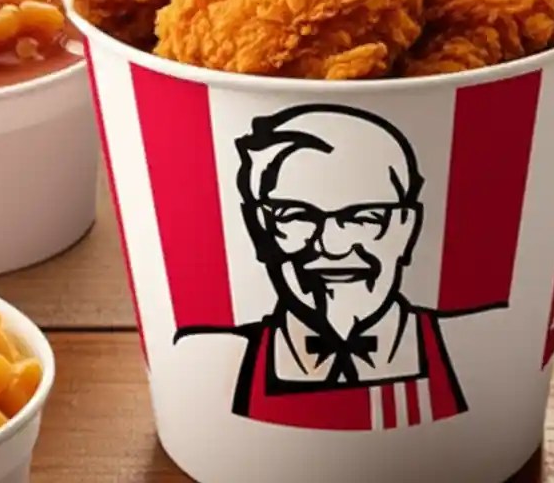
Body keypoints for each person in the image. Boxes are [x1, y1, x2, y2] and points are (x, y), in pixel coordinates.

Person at [178, 104, 469, 430]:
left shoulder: (469, 345)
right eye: (297, 216)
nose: (332, 246)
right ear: (259, 229)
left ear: (406, 227)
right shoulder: (208, 358)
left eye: (364, 218)